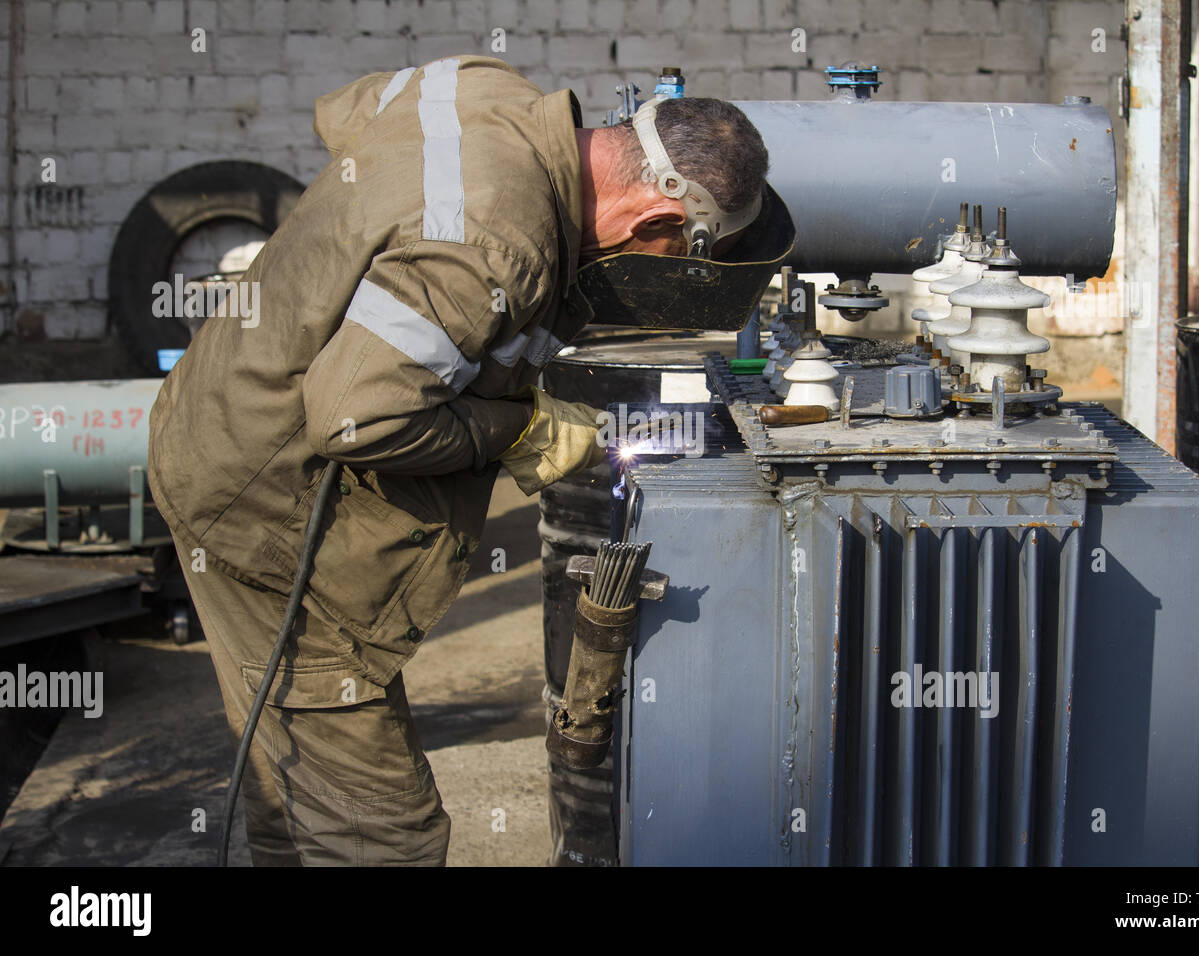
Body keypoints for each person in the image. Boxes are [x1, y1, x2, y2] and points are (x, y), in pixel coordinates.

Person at [146, 55, 772, 866]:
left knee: (303, 794)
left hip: (220, 412)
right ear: (655, 222)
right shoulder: (496, 249)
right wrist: (513, 426)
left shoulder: (486, 91)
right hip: (262, 512)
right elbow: (354, 418)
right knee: (384, 835)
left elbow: (347, 105)